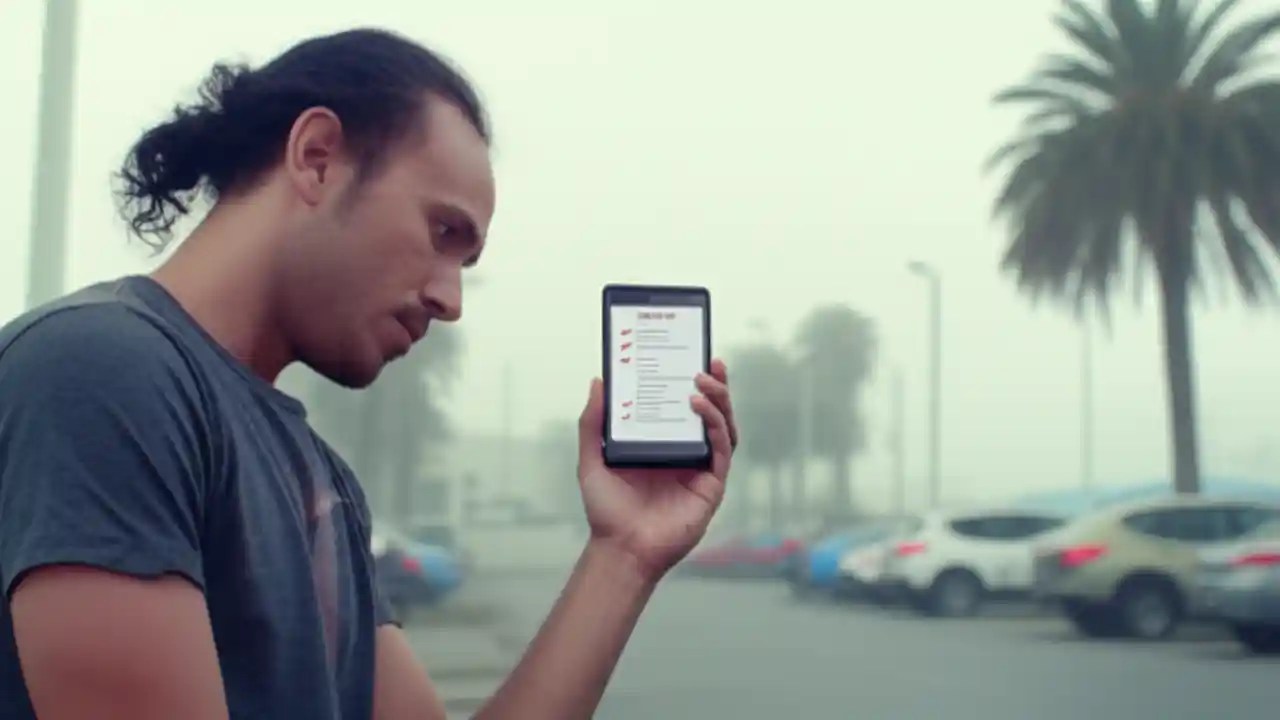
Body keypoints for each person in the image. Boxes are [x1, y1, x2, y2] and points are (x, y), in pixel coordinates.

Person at [0, 28, 737, 720]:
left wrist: (624, 553)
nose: (450, 300)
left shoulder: (322, 481)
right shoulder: (102, 374)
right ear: (317, 157)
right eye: (443, 233)